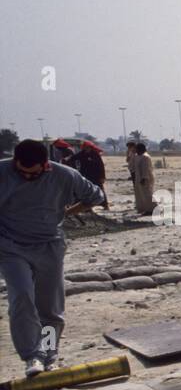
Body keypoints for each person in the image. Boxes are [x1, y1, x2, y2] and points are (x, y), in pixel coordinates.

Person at [0, 140, 104, 376]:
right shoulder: (2, 172)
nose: (27, 177)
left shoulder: (65, 175)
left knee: (50, 308)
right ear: (15, 162)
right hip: (11, 248)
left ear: (45, 165)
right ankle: (33, 356)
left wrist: (67, 212)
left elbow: (96, 196)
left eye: (33, 174)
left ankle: (49, 353)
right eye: (22, 173)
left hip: (49, 246)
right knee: (22, 297)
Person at [72, 141, 108, 208]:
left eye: (88, 147)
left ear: (90, 148)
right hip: (85, 176)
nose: (87, 149)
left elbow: (101, 166)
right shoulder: (81, 154)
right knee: (86, 191)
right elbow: (72, 158)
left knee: (100, 189)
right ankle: (87, 207)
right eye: (85, 147)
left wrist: (102, 177)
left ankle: (105, 205)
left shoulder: (95, 154)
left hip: (96, 176)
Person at [132, 142, 156, 215]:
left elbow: (146, 169)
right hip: (139, 178)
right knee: (140, 194)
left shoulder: (145, 157)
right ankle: (144, 209)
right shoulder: (137, 156)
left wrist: (144, 178)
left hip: (145, 178)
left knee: (147, 194)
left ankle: (152, 209)